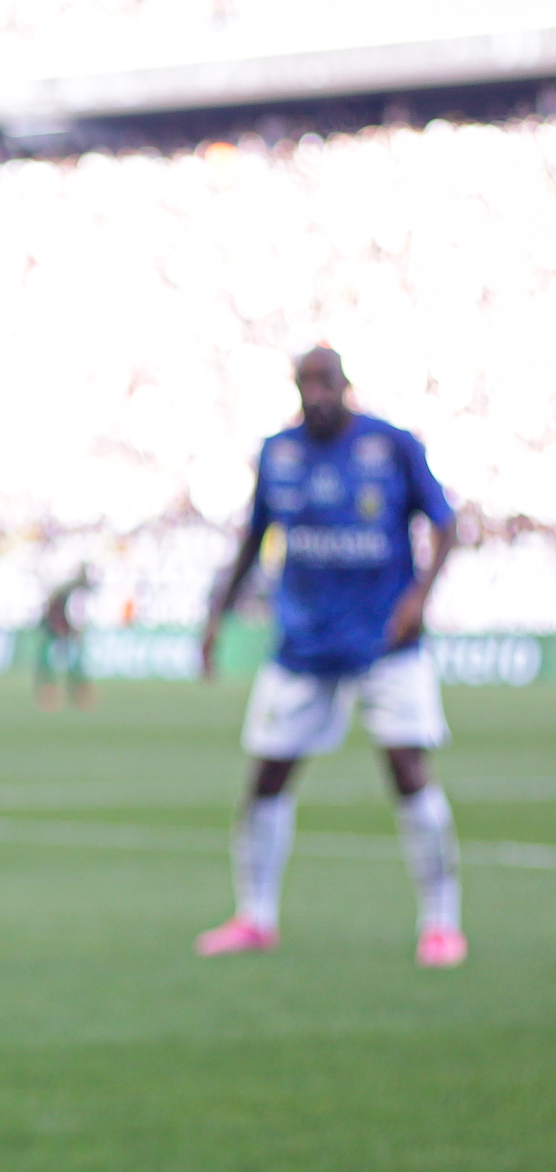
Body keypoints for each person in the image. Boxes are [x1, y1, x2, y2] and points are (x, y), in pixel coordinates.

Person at [195, 345, 463, 966]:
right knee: (266, 778)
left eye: (325, 382)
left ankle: (441, 923)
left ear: (347, 386)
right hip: (304, 644)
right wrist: (218, 616)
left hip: (386, 642)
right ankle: (255, 917)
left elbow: (445, 524)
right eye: (304, 384)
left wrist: (421, 595)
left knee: (406, 769)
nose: (315, 394)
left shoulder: (392, 446)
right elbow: (253, 537)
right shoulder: (278, 452)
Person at [34, 565, 95, 709]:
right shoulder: (68, 591)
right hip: (54, 628)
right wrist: (66, 630)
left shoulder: (69, 590)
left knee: (71, 663)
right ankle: (50, 691)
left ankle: (74, 691)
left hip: (60, 628)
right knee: (50, 662)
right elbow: (59, 613)